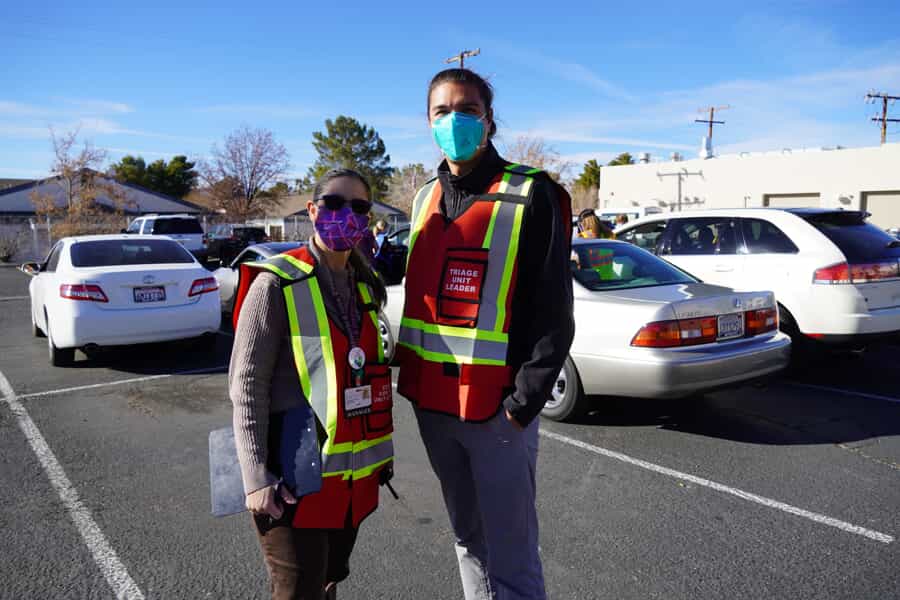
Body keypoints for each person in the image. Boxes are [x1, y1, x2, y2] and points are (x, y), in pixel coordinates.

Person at [396, 68, 575, 600]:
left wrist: (521, 406)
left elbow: (554, 314)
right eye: (441, 111)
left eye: (467, 109)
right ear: (428, 123)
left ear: (489, 119)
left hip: (497, 412)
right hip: (433, 407)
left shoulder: (533, 195)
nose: (455, 120)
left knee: (513, 558)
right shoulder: (423, 198)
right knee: (467, 540)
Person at [229, 168, 394, 600]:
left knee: (326, 581)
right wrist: (255, 476)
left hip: (346, 481)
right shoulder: (274, 284)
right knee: (299, 588)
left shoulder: (364, 286)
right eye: (335, 203)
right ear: (312, 210)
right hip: (288, 480)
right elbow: (247, 385)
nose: (346, 214)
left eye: (359, 207)